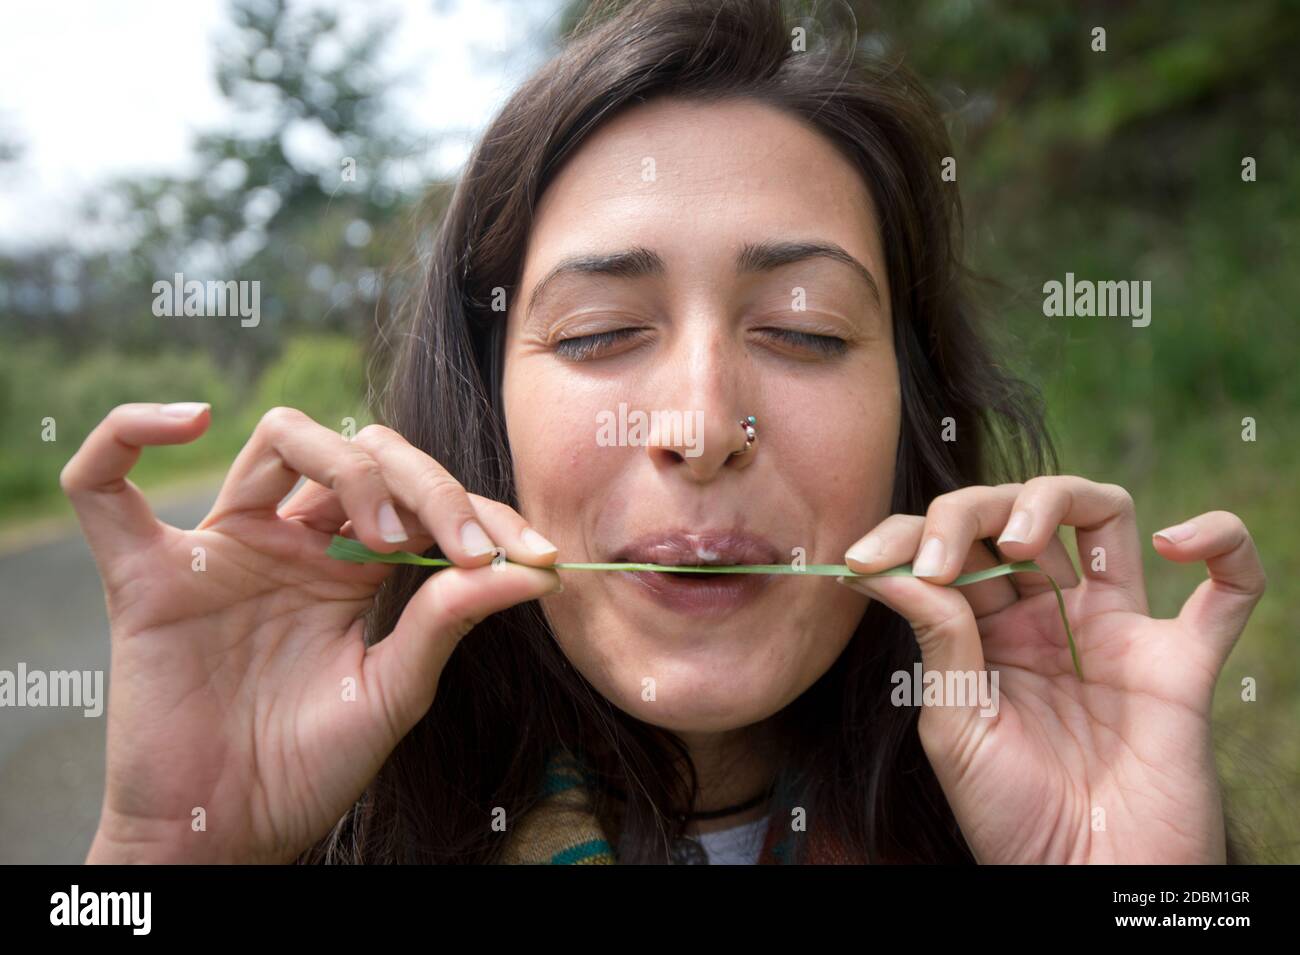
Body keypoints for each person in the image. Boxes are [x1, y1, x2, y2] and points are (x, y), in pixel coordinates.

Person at [64, 0, 1265, 865]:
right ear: (484, 424)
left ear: (911, 416)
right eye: (595, 335)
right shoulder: (328, 831)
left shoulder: (1047, 813)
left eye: (801, 330)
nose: (698, 426)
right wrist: (159, 848)